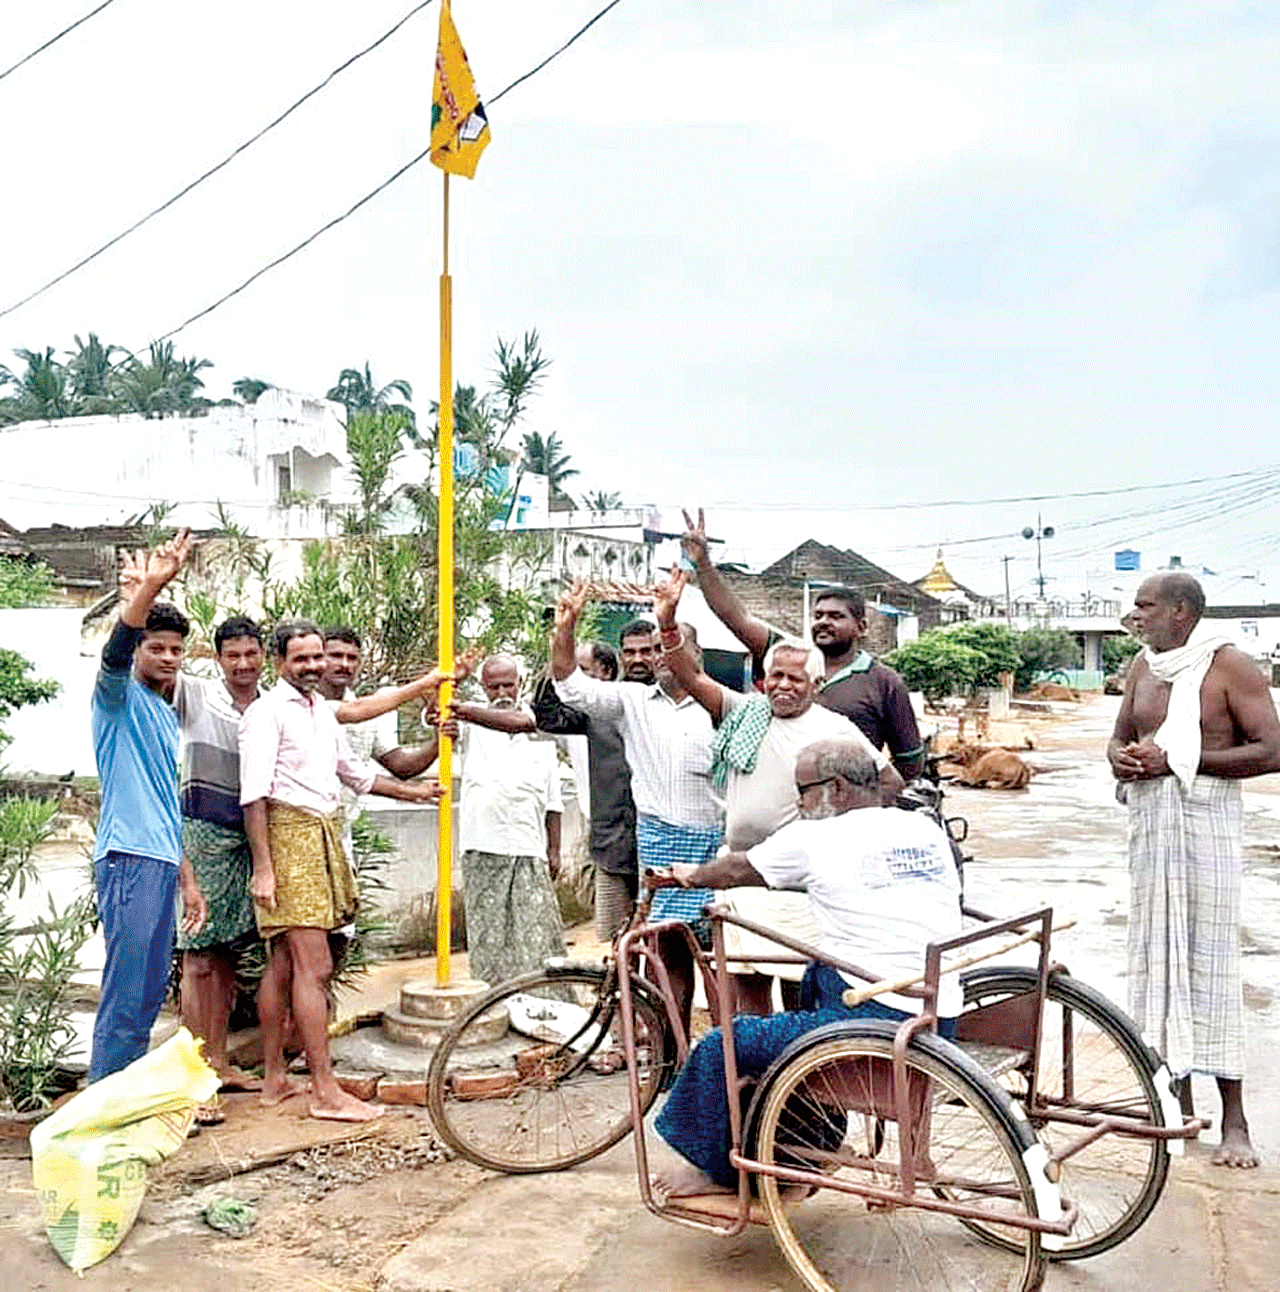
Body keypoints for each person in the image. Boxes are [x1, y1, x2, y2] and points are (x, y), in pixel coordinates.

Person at [650, 736, 962, 1199]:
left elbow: (737, 869)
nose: (798, 803)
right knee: (818, 968)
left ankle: (717, 1172)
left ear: (835, 789)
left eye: (802, 790)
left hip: (875, 1023)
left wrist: (689, 876)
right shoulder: (924, 828)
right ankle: (802, 1141)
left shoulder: (816, 836)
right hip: (939, 1011)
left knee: (720, 1045)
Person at [176, 618, 448, 1092]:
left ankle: (275, 1077)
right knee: (299, 965)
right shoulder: (266, 712)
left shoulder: (319, 710)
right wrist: (264, 867)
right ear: (280, 663)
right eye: (301, 659)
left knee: (281, 963)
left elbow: (354, 773)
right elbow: (255, 794)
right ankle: (323, 1089)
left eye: (317, 657)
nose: (314, 666)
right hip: (282, 839)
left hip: (317, 837)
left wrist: (414, 793)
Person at [652, 566, 902, 1013]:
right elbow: (690, 677)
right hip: (739, 874)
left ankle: (794, 1077)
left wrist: (838, 833)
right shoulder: (744, 710)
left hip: (794, 882)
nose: (784, 687)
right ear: (763, 681)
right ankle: (751, 1080)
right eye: (777, 678)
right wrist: (668, 623)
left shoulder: (835, 729)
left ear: (816, 685)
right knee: (743, 988)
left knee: (797, 990)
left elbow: (889, 782)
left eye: (796, 679)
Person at [1108, 572, 1280, 1168]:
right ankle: (1171, 1103)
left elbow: (1272, 750)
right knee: (1155, 967)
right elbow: (1119, 740)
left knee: (1210, 968)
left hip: (1206, 831)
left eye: (1145, 606)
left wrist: (1178, 761)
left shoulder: (1228, 666)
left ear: (1181, 612)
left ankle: (1235, 1120)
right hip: (1150, 833)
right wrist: (1127, 762)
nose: (1136, 616)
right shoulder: (1142, 668)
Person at [553, 581, 722, 1032]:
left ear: (694, 654)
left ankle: (730, 1056)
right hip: (658, 840)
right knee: (669, 955)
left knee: (725, 961)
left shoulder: (721, 707)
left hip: (718, 845)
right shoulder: (632, 701)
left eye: (672, 646)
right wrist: (565, 628)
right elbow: (569, 685)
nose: (663, 657)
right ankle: (673, 1050)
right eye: (659, 650)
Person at [679, 506, 925, 778]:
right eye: (818, 615)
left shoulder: (884, 682)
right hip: (780, 797)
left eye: (836, 616)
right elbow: (735, 616)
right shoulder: (785, 656)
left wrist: (868, 797)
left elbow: (909, 762)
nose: (823, 622)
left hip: (843, 807)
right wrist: (703, 564)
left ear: (862, 627)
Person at [89, 529, 208, 1082]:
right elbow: (114, 651)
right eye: (155, 647)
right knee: (126, 991)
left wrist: (187, 877)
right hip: (128, 858)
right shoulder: (117, 698)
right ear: (138, 649)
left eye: (176, 650)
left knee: (149, 992)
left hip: (159, 862)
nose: (167, 657)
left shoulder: (164, 715)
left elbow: (165, 804)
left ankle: (121, 1102)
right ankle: (99, 1110)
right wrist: (151, 587)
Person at [450, 654, 567, 987]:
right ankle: (492, 1003)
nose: (502, 691)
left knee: (536, 933)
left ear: (519, 683)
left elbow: (553, 799)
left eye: (508, 684)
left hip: (529, 848)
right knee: (490, 935)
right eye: (494, 685)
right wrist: (455, 680)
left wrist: (554, 850)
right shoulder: (470, 720)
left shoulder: (538, 722)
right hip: (483, 844)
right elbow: (438, 709)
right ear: (484, 687)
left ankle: (539, 1000)